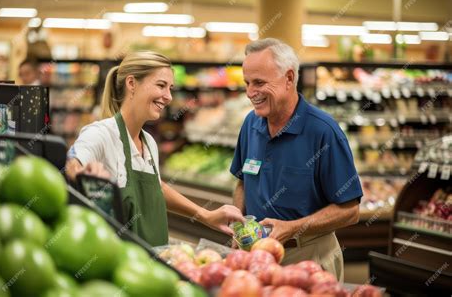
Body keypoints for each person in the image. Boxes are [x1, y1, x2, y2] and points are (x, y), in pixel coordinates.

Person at [66, 51, 244, 246]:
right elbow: (73, 160)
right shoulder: (101, 133)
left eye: (170, 88)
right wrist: (82, 171)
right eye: (161, 85)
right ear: (132, 83)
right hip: (122, 267)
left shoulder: (149, 142)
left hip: (155, 263)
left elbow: (156, 188)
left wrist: (205, 215)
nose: (168, 97)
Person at [230, 38, 363, 281]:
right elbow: (242, 181)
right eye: (247, 83)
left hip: (308, 259)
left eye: (259, 82)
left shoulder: (323, 131)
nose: (250, 92)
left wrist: (292, 228)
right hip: (258, 257)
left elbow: (350, 210)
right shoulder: (251, 124)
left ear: (289, 78)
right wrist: (239, 223)